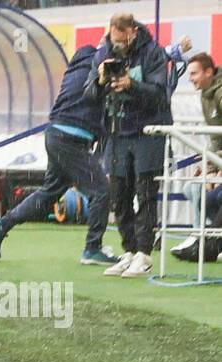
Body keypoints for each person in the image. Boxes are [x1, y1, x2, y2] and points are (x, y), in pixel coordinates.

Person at [0, 45, 115, 266]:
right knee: (101, 189)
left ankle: (1, 225)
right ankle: (92, 249)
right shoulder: (98, 71)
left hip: (56, 133)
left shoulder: (78, 65)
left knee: (49, 193)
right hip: (71, 137)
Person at [84, 13, 173, 278]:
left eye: (121, 40)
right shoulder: (104, 54)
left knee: (145, 194)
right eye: (114, 40)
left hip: (149, 132)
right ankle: (131, 251)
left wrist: (132, 85)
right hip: (116, 132)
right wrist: (100, 82)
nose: (117, 46)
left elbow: (160, 95)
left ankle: (144, 255)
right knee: (119, 196)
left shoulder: (153, 53)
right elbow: (88, 95)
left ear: (132, 32)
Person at [172, 52, 222, 262]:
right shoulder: (205, 94)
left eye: (194, 73)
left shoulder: (219, 93)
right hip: (218, 159)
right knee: (192, 188)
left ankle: (207, 241)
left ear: (209, 72)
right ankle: (200, 237)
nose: (190, 78)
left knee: (213, 195)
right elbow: (215, 139)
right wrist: (210, 167)